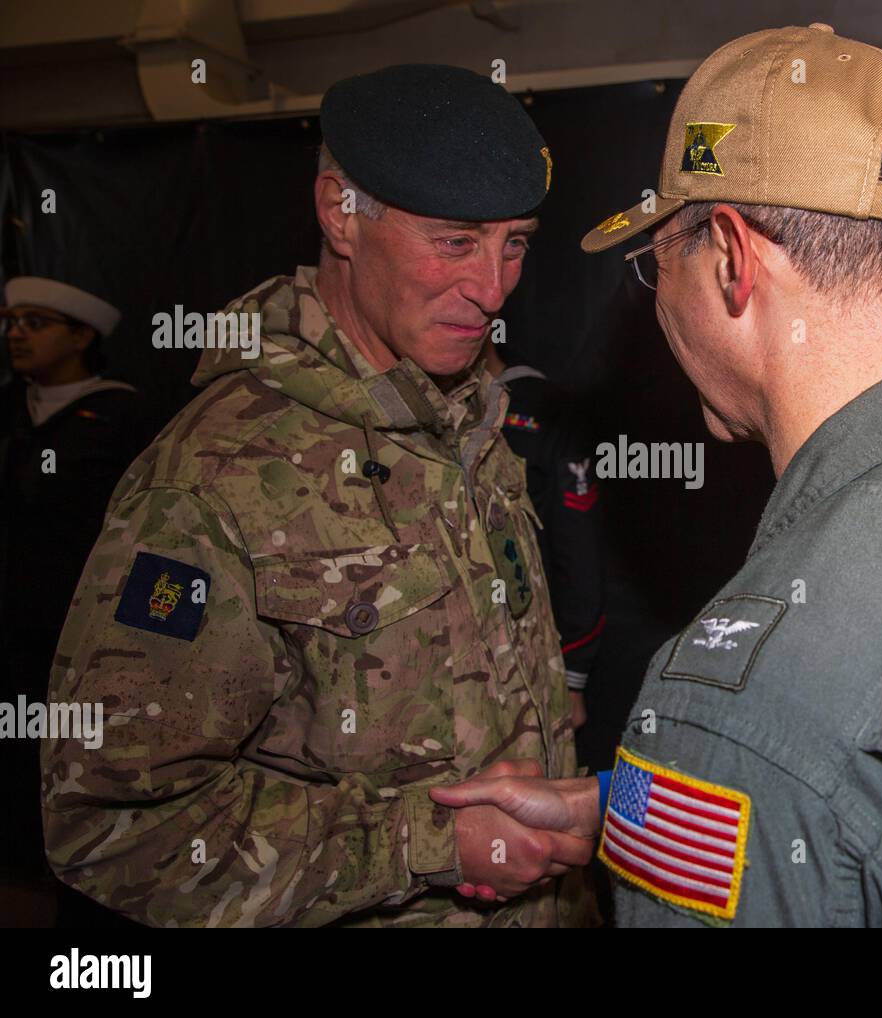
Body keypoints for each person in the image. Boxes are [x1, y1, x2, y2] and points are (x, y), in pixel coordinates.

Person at [431, 24, 882, 926]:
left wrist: (698, 770)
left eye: (660, 266)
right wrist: (633, 807)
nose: (657, 304)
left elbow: (795, 750)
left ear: (732, 258)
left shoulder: (737, 688)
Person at [40, 64, 592, 928]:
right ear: (341, 213)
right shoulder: (211, 476)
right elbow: (113, 824)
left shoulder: (469, 417)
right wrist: (425, 843)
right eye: (455, 242)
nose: (492, 290)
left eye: (515, 243)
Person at [0, 277, 146, 925]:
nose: (16, 334)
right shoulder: (8, 409)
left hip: (81, 635)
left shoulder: (120, 417)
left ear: (82, 335)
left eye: (36, 322)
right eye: (11, 321)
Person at [483, 342, 606, 730]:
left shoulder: (547, 408)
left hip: (531, 656)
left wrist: (572, 674)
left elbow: (579, 552)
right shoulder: (415, 408)